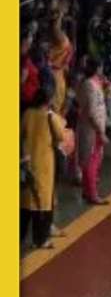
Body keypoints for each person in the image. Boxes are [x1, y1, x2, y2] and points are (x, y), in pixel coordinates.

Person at [21, 86, 67, 249]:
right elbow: (61, 136)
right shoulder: (50, 117)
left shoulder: (27, 114)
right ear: (48, 101)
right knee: (43, 204)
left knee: (26, 203)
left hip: (27, 163)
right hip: (45, 165)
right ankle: (41, 239)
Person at [74, 56, 110, 206]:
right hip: (91, 129)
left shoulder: (94, 83)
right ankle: (92, 194)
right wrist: (100, 132)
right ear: (97, 68)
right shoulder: (89, 85)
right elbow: (90, 111)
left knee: (95, 159)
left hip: (95, 127)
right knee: (91, 161)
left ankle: (88, 190)